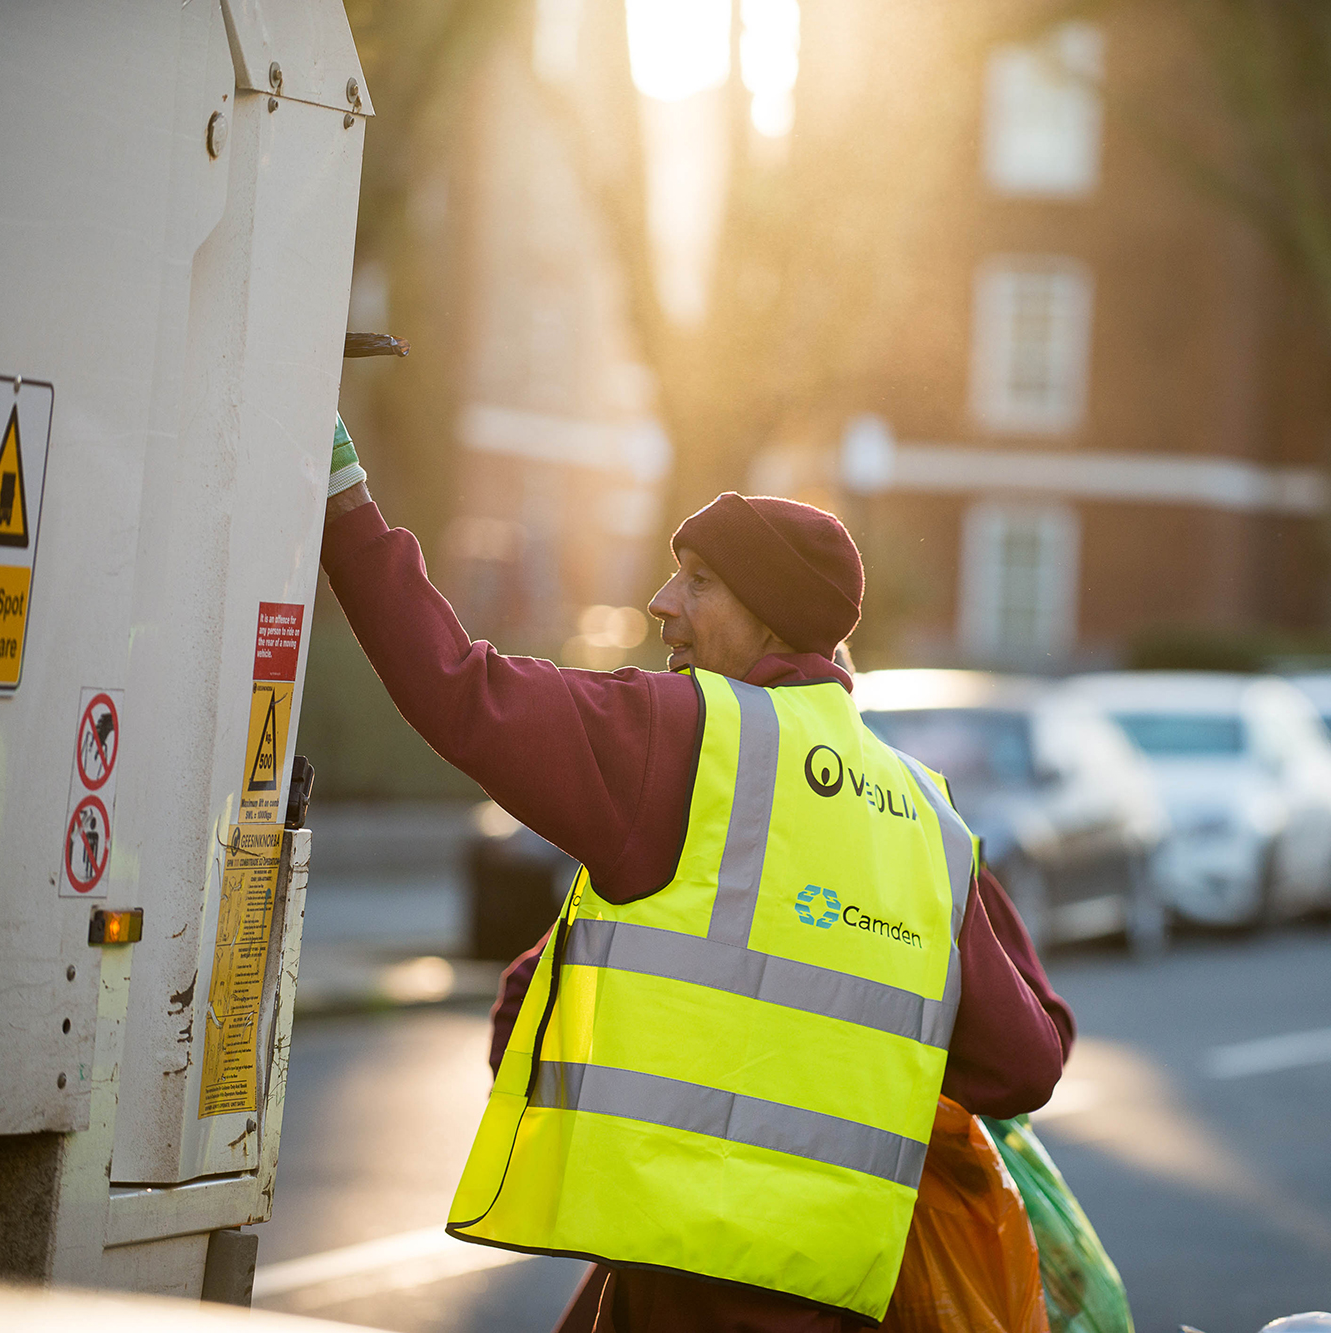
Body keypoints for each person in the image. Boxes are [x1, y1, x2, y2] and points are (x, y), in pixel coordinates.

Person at [319, 420, 1073, 1332]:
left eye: (701, 580)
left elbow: (459, 689)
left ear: (772, 619)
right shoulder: (923, 813)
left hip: (676, 1296)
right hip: (837, 1302)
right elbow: (1026, 1062)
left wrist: (346, 507)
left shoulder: (682, 737)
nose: (661, 601)